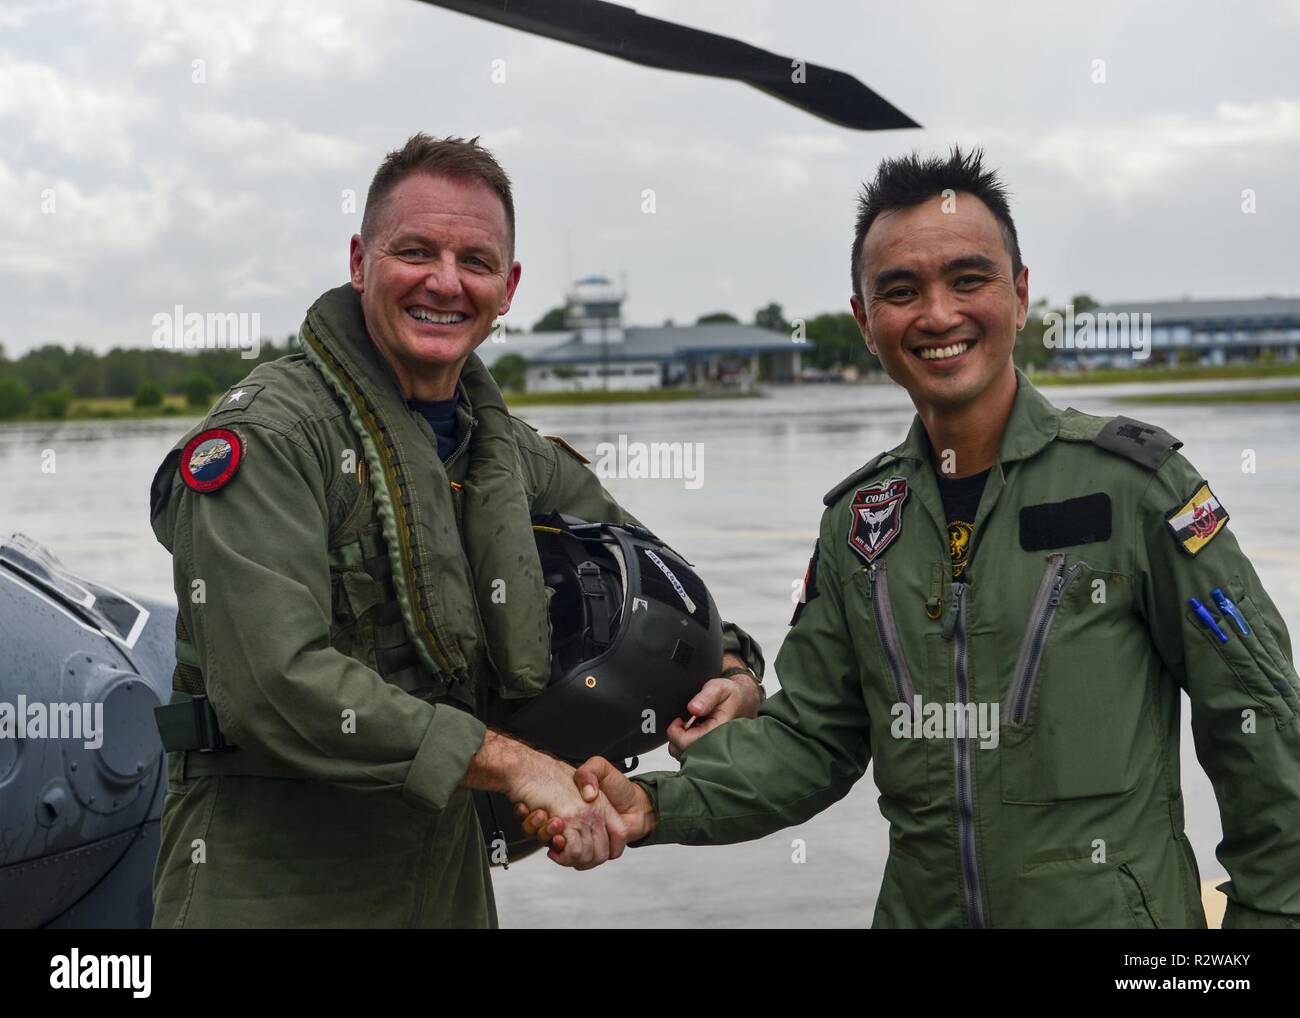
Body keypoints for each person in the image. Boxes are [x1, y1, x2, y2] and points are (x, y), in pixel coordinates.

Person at [519, 147, 1300, 929]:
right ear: (865, 321)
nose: (937, 314)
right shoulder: (860, 523)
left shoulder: (1135, 487)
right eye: (900, 291)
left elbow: (1260, 725)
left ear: (1021, 295)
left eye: (969, 279)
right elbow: (813, 739)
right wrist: (651, 806)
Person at [147, 134, 764, 928]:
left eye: (475, 261)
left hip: (447, 876)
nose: (445, 282)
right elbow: (274, 687)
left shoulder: (510, 455)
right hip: (269, 878)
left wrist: (734, 671)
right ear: (358, 260)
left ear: (507, 289)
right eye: (415, 251)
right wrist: (515, 768)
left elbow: (661, 582)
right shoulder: (269, 441)